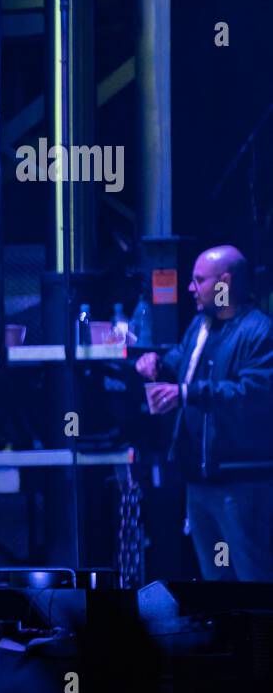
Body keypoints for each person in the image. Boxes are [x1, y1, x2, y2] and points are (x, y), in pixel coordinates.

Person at [135, 245, 273, 580]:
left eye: (199, 280)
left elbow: (251, 392)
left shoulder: (259, 332)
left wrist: (186, 393)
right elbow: (181, 360)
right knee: (216, 584)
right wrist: (158, 365)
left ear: (224, 282)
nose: (190, 288)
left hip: (240, 486)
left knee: (252, 581)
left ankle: (260, 636)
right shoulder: (200, 326)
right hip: (200, 482)